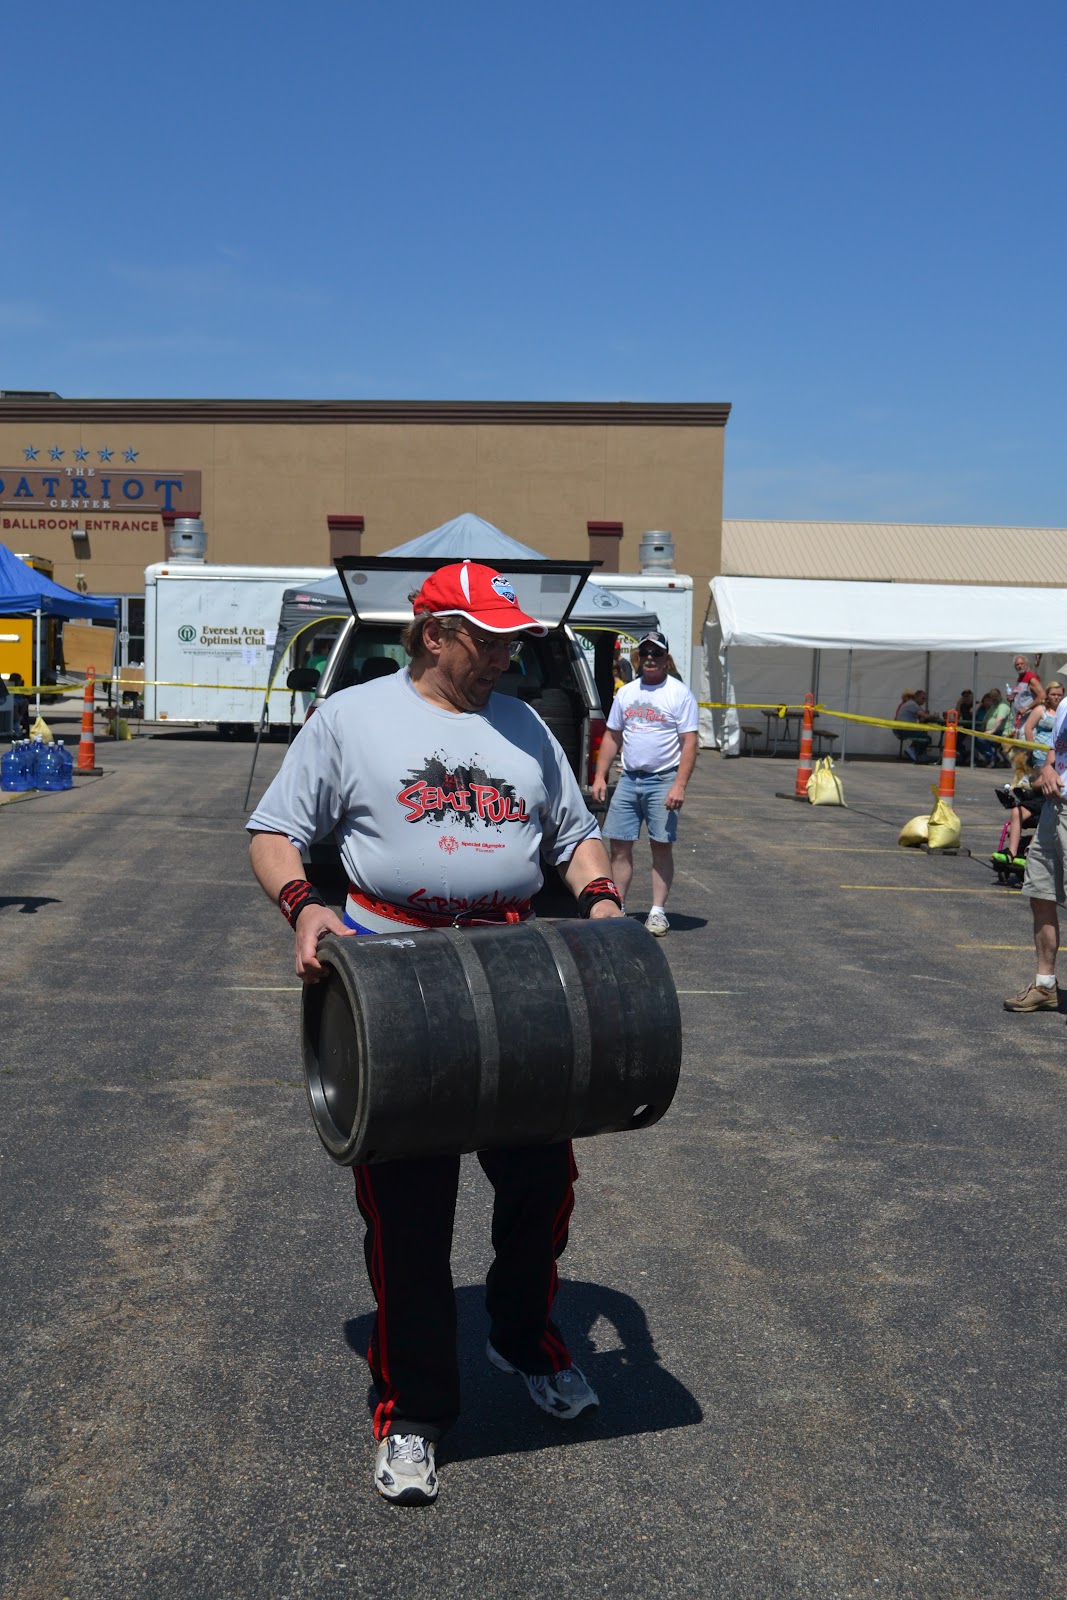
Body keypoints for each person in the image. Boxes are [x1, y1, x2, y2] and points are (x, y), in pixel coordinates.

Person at [247, 560, 624, 1506]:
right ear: (432, 634)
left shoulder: (525, 724)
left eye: (511, 641)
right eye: (485, 640)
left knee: (541, 1184)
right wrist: (304, 905)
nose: (503, 657)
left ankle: (521, 1338)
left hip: (514, 969)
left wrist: (601, 895)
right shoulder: (352, 718)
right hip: (397, 977)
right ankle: (413, 1411)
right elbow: (273, 831)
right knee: (409, 1215)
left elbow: (570, 834)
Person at [591, 628, 699, 936]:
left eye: (656, 653)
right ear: (639, 657)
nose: (650, 658)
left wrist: (679, 785)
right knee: (618, 846)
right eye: (645, 653)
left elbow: (689, 742)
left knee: (660, 846)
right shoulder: (626, 693)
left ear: (666, 658)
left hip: (663, 779)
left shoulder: (678, 693)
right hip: (629, 779)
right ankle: (618, 908)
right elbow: (613, 736)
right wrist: (600, 776)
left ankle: (657, 912)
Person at [1004, 683, 1067, 1013]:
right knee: (1041, 893)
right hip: (1054, 809)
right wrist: (1047, 768)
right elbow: (1055, 751)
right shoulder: (1065, 707)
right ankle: (1045, 986)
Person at [895, 689, 939, 762]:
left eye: (925, 699)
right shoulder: (913, 704)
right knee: (926, 738)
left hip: (901, 729)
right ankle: (918, 755)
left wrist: (925, 715)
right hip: (903, 729)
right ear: (916, 697)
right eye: (923, 698)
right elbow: (925, 716)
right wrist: (935, 716)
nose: (924, 701)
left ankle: (912, 751)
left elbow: (921, 719)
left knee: (922, 735)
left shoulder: (911, 703)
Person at [1008, 654, 1044, 733]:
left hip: (1028, 720)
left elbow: (1042, 696)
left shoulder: (1031, 678)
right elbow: (1023, 695)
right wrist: (1012, 698)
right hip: (1019, 720)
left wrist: (1026, 708)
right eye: (1017, 664)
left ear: (1026, 664)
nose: (1019, 666)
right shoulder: (1020, 677)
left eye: (1022, 664)